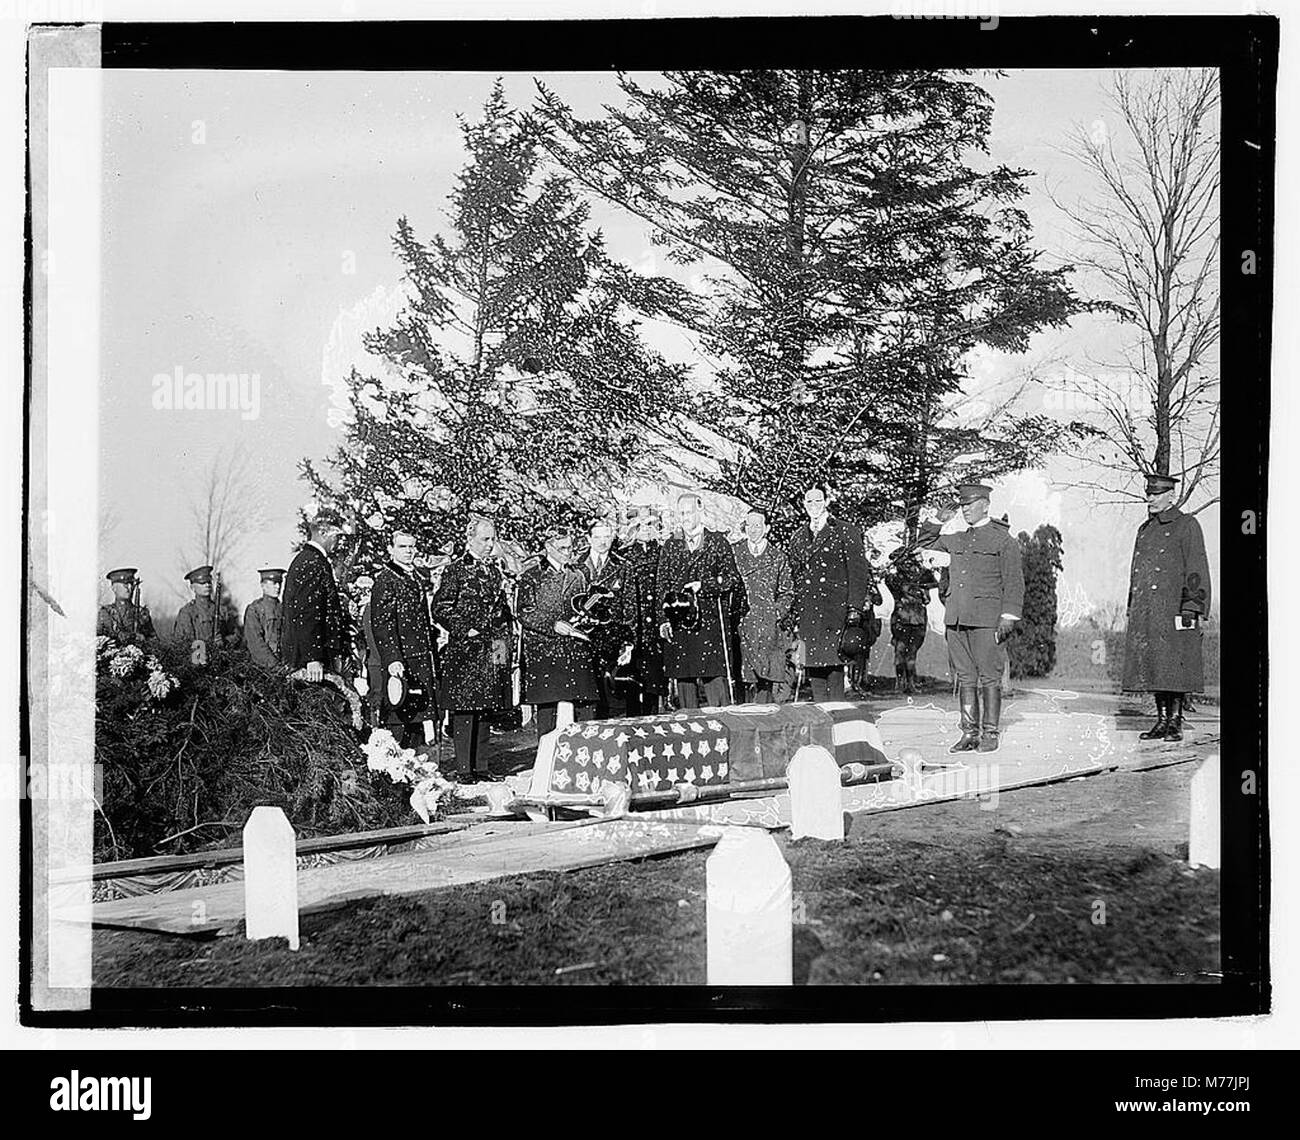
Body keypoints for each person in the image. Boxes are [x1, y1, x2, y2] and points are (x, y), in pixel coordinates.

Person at [916, 482, 1024, 753]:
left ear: (985, 505)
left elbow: (1014, 583)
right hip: (956, 618)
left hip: (987, 620)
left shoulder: (1003, 541)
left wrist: (1008, 617)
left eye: (969, 504)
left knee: (989, 677)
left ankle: (990, 733)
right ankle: (968, 734)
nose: (964, 509)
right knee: (965, 678)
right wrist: (938, 520)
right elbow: (924, 543)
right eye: (962, 505)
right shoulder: (959, 538)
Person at [1122, 473, 1211, 743]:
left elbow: (1196, 569)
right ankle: (1161, 721)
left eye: (1157, 494)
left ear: (1171, 495)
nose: (1150, 498)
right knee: (1155, 666)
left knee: (1175, 666)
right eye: (1149, 493)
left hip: (1176, 609)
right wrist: (1132, 607)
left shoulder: (1187, 525)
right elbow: (1136, 574)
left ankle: (1175, 722)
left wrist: (1192, 607)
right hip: (1148, 610)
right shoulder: (1145, 530)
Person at [431, 516, 513, 781]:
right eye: (484, 539)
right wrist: (465, 629)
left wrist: (502, 657)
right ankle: (464, 769)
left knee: (486, 708)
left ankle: (481, 766)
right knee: (466, 711)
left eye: (492, 539)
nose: (490, 545)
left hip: (492, 649)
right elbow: (440, 608)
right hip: (466, 652)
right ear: (470, 539)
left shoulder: (495, 572)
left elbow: (503, 616)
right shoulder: (455, 570)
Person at [656, 493, 742, 708]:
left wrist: (704, 585)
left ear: (700, 511)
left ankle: (722, 728)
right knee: (685, 684)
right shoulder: (671, 545)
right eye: (681, 513)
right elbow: (662, 585)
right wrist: (662, 620)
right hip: (680, 623)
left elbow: (732, 579)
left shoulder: (718, 542)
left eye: (689, 512)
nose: (684, 517)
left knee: (715, 684)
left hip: (710, 624)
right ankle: (690, 730)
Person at [785, 483, 870, 701]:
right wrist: (795, 612)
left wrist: (855, 608)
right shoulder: (798, 537)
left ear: (827, 501)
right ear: (804, 505)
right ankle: (822, 718)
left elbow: (858, 573)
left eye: (818, 500)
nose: (814, 505)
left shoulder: (844, 531)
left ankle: (837, 718)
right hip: (809, 612)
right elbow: (795, 576)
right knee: (814, 668)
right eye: (809, 501)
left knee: (834, 666)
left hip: (836, 610)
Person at [518, 528, 600, 736]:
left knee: (585, 706)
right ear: (548, 548)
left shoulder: (578, 575)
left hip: (575, 649)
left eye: (570, 547)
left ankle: (586, 755)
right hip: (545, 650)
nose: (567, 552)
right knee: (548, 709)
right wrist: (552, 624)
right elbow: (525, 612)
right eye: (561, 548)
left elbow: (584, 605)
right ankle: (547, 759)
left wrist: (590, 619)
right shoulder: (532, 576)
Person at [370, 531, 438, 750]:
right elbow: (382, 625)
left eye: (411, 547)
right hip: (400, 662)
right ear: (391, 549)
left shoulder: (416, 577)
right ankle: (396, 776)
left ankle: (417, 772)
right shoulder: (386, 579)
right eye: (402, 547)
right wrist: (392, 659)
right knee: (398, 720)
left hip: (419, 658)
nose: (408, 551)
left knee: (417, 719)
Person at [732, 507, 793, 703]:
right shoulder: (735, 553)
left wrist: (775, 613)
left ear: (766, 528)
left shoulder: (778, 557)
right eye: (749, 525)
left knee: (765, 685)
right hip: (742, 626)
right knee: (741, 681)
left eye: (758, 525)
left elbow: (787, 592)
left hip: (768, 630)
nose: (753, 530)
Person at [281, 510, 349, 682]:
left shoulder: (309, 560)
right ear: (323, 532)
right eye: (336, 535)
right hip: (312, 665)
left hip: (310, 658)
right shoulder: (313, 563)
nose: (338, 541)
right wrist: (313, 657)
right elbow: (308, 612)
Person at [579, 518, 632, 719]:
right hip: (583, 639)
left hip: (612, 639)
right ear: (589, 538)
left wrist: (627, 642)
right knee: (587, 699)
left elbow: (629, 606)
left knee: (614, 697)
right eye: (598, 537)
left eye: (607, 536)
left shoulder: (623, 566)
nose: (602, 542)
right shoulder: (576, 566)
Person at [618, 508, 667, 716]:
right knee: (631, 681)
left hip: (655, 627)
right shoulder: (624, 556)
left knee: (653, 684)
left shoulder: (663, 553)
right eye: (640, 526)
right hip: (632, 627)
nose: (646, 530)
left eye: (650, 525)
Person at [885, 547, 938, 694]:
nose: (909, 564)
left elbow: (929, 594)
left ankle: (909, 683)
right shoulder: (894, 578)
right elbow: (893, 585)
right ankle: (902, 683)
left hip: (917, 618)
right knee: (901, 651)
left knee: (911, 652)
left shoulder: (920, 576)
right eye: (906, 561)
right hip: (902, 618)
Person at [173, 565, 236, 653]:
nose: (207, 585)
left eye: (209, 582)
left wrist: (224, 641)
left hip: (221, 659)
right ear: (192, 588)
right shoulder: (187, 612)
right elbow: (181, 642)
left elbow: (235, 635)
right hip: (195, 660)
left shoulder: (222, 610)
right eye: (202, 583)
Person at [97, 568, 156, 642]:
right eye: (125, 584)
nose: (129, 588)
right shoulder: (105, 613)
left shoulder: (141, 614)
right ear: (113, 587)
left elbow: (155, 641)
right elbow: (95, 641)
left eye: (131, 584)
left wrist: (143, 639)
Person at [243, 567, 285, 667]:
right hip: (262, 667)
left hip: (285, 666)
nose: (278, 587)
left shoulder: (284, 609)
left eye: (280, 583)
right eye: (274, 583)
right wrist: (275, 665)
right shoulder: (255, 610)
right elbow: (255, 642)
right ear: (263, 585)